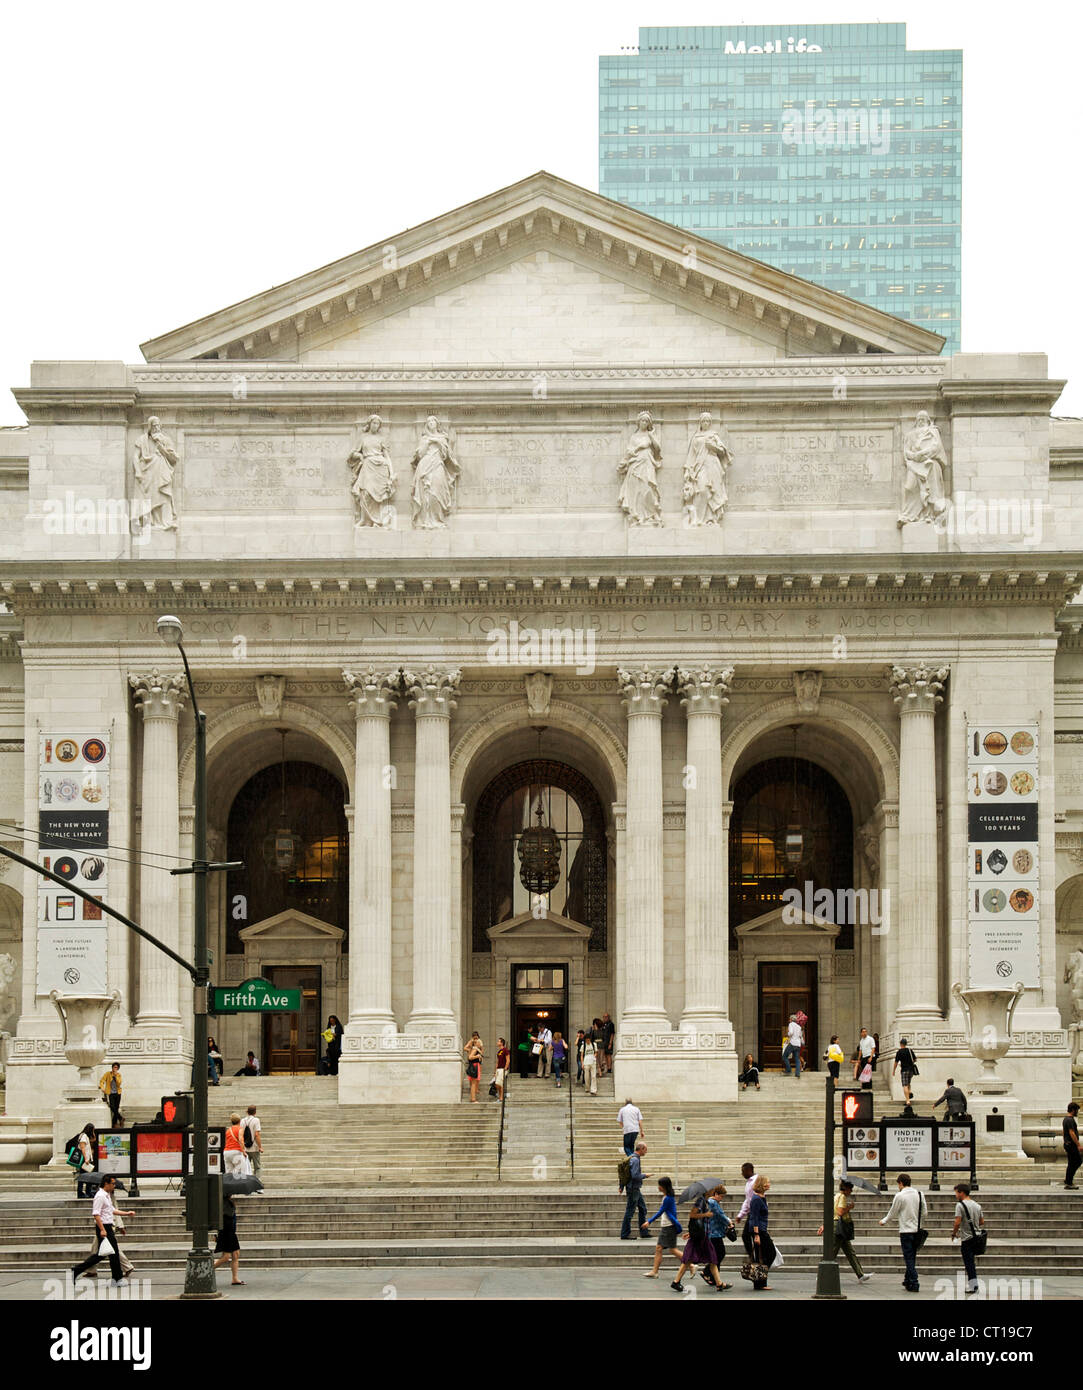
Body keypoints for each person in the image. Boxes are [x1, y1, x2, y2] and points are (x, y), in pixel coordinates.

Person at [71, 1175, 131, 1286]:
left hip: (108, 1226)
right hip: (104, 1227)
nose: (114, 1186)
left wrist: (126, 1213)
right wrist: (102, 1230)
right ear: (106, 1184)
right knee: (111, 1253)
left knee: (106, 1254)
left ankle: (78, 1269)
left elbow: (112, 1210)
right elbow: (96, 1214)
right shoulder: (100, 1196)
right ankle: (116, 1279)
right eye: (113, 1184)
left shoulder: (107, 1195)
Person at [817, 1179, 872, 1284]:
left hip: (837, 1226)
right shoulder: (842, 1197)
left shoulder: (836, 1196)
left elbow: (832, 1212)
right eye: (850, 1189)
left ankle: (860, 1274)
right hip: (839, 1227)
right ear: (846, 1189)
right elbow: (840, 1212)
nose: (851, 1192)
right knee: (832, 1252)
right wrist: (849, 1207)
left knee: (849, 1251)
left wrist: (824, 1225)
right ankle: (822, 1275)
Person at [879, 1172, 926, 1292]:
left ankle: (914, 1281)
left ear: (900, 1183)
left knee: (908, 1257)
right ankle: (907, 1280)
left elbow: (893, 1211)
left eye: (898, 1184)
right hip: (917, 1229)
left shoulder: (900, 1196)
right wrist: (919, 1223)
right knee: (912, 1256)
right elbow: (924, 1212)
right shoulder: (920, 1194)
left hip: (906, 1230)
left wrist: (884, 1221)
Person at [671, 1194, 727, 1292]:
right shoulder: (700, 1201)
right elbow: (693, 1215)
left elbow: (699, 1221)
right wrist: (706, 1215)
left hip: (702, 1236)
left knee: (712, 1259)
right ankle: (676, 1281)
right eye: (712, 1190)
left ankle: (719, 1283)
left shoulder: (704, 1201)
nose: (713, 1192)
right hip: (700, 1237)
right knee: (690, 1260)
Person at [641, 1176, 684, 1278]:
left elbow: (661, 1211)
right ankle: (654, 1271)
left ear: (664, 1186)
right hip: (668, 1226)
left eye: (659, 1185)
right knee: (660, 1248)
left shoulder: (667, 1198)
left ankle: (690, 1264)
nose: (658, 1187)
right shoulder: (668, 1197)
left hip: (668, 1226)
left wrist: (649, 1221)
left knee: (670, 1249)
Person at [951, 1181, 984, 1295]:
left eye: (956, 1193)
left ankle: (973, 1285)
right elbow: (981, 1222)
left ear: (962, 1193)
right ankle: (973, 1283)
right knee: (971, 1262)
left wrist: (954, 1233)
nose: (955, 1195)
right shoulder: (977, 1205)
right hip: (976, 1237)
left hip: (967, 1238)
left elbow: (957, 1222)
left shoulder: (960, 1205)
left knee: (969, 1263)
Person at [699, 1185, 735, 1289]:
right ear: (716, 1194)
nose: (722, 1198)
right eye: (721, 1196)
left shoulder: (710, 1202)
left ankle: (714, 1278)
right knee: (720, 1253)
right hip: (714, 1233)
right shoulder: (713, 1202)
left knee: (716, 1254)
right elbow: (720, 1215)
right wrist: (729, 1222)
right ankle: (707, 1272)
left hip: (713, 1232)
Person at [747, 1175, 775, 1291]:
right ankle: (760, 1281)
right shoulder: (756, 1199)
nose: (769, 1184)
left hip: (762, 1229)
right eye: (767, 1182)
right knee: (770, 1254)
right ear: (761, 1184)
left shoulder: (762, 1197)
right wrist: (757, 1235)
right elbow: (754, 1217)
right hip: (759, 1231)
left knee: (763, 1256)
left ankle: (760, 1281)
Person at [619, 1142, 649, 1240]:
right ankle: (625, 1233)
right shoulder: (635, 1160)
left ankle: (644, 1232)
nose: (646, 1151)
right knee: (630, 1211)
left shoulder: (632, 1157)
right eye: (645, 1149)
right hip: (633, 1189)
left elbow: (625, 1173)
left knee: (643, 1208)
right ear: (641, 1149)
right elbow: (635, 1175)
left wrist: (622, 1186)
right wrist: (645, 1176)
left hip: (634, 1188)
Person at [213, 1195, 245, 1285]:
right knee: (226, 1257)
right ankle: (208, 1271)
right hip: (225, 1231)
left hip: (230, 1231)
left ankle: (235, 1278)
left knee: (236, 1254)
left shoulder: (227, 1201)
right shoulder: (223, 1202)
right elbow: (224, 1216)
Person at [736, 1161, 758, 1257]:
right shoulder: (749, 1182)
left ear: (749, 1171)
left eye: (743, 1171)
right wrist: (741, 1214)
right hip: (751, 1213)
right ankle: (753, 1256)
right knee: (748, 1235)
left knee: (751, 1236)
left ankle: (755, 1257)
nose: (742, 1174)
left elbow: (752, 1200)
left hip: (755, 1212)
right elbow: (748, 1200)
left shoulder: (755, 1181)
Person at [893, 1037, 919, 1106]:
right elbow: (915, 1059)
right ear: (906, 1044)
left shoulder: (899, 1052)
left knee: (904, 1085)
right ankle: (909, 1092)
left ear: (901, 1044)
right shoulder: (910, 1050)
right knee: (908, 1084)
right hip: (911, 1070)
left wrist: (894, 1071)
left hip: (904, 1070)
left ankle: (907, 1101)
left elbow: (896, 1062)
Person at [224, 1113, 251, 1177]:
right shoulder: (240, 1129)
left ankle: (230, 1186)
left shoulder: (228, 1130)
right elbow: (241, 1140)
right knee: (240, 1173)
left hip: (227, 1152)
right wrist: (243, 1151)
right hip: (236, 1152)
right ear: (240, 1121)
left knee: (229, 1173)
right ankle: (240, 1186)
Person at [74, 1123, 96, 1200]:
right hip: (84, 1160)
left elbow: (94, 1140)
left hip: (87, 1159)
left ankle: (88, 1192)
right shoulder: (83, 1136)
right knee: (83, 1176)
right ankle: (81, 1192)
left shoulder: (85, 1136)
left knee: (88, 1176)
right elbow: (83, 1148)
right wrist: (86, 1158)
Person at [98, 1062, 123, 1126]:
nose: (115, 1068)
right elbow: (102, 1081)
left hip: (118, 1093)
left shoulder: (118, 1075)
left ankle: (114, 1123)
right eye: (114, 1067)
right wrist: (102, 1087)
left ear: (118, 1069)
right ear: (112, 1067)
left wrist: (115, 1076)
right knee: (112, 1107)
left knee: (116, 1108)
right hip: (111, 1093)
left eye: (116, 1067)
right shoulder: (108, 1074)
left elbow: (119, 1083)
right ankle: (120, 1118)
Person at [1064, 1102, 1082, 1189]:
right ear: (1073, 1110)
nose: (1077, 1112)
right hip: (1071, 1144)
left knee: (1072, 1162)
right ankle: (1069, 1182)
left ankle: (1068, 1180)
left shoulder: (1066, 1119)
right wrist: (1078, 1145)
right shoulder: (1070, 1120)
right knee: (1077, 1161)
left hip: (1068, 1144)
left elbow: (1066, 1132)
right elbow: (1072, 1133)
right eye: (1077, 1110)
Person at [464, 1031, 484, 1103]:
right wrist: (477, 1056)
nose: (479, 1042)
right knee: (473, 1083)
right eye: (477, 1040)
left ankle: (472, 1098)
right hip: (474, 1065)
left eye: (478, 1040)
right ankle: (473, 1099)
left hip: (475, 1065)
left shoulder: (476, 1048)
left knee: (473, 1083)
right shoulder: (474, 1048)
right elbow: (470, 1057)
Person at [243, 1105, 263, 1174]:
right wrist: (260, 1147)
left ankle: (247, 1182)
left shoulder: (242, 1121)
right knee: (257, 1167)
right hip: (254, 1147)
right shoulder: (256, 1120)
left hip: (245, 1148)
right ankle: (257, 1182)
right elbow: (257, 1134)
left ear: (247, 1112)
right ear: (255, 1112)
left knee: (246, 1168)